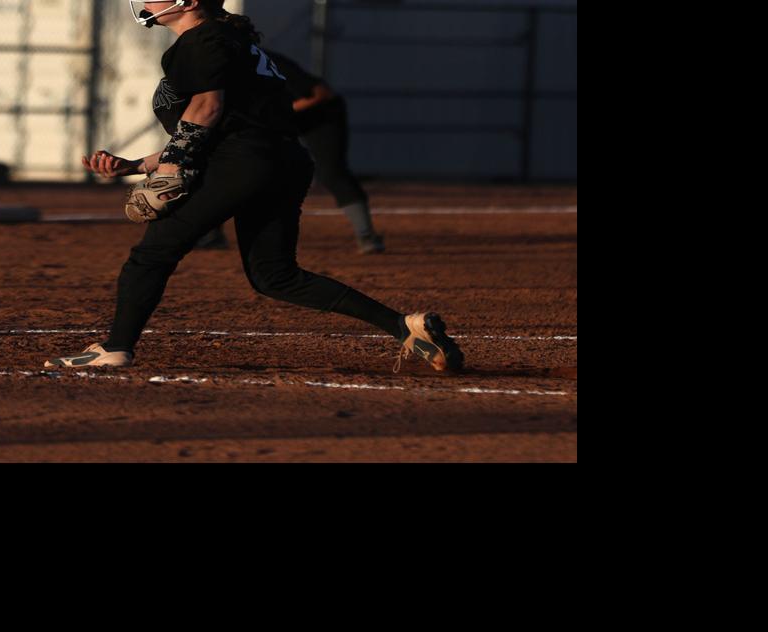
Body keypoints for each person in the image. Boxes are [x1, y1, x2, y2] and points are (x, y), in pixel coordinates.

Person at [45, 0, 461, 374]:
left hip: (244, 163)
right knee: (275, 276)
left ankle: (116, 348)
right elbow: (225, 126)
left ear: (187, 2)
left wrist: (173, 163)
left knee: (152, 254)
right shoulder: (233, 42)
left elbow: (209, 108)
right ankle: (404, 327)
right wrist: (137, 165)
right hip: (279, 161)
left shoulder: (202, 38)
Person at [197, 47, 385, 254]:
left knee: (332, 173)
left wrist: (272, 114)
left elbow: (320, 93)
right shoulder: (214, 67)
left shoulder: (259, 60)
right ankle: (211, 235)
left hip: (320, 115)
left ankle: (366, 235)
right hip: (275, 118)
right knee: (228, 163)